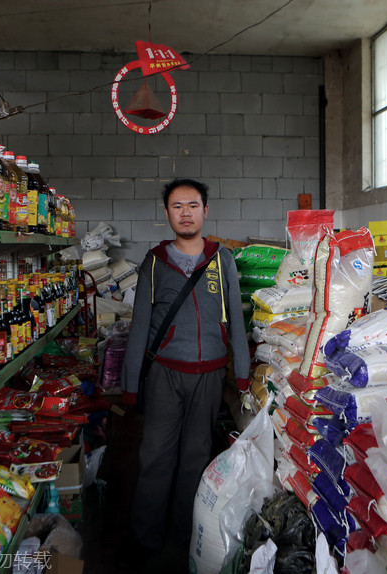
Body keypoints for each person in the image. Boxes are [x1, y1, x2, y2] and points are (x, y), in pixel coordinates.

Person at [119, 178, 250, 564]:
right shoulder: (154, 264)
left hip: (209, 376)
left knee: (196, 458)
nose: (186, 212)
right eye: (178, 206)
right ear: (167, 214)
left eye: (193, 205)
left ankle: (183, 539)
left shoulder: (221, 259)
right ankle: (145, 541)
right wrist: (130, 386)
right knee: (156, 457)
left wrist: (241, 373)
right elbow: (139, 325)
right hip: (165, 375)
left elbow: (238, 324)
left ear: (205, 211)